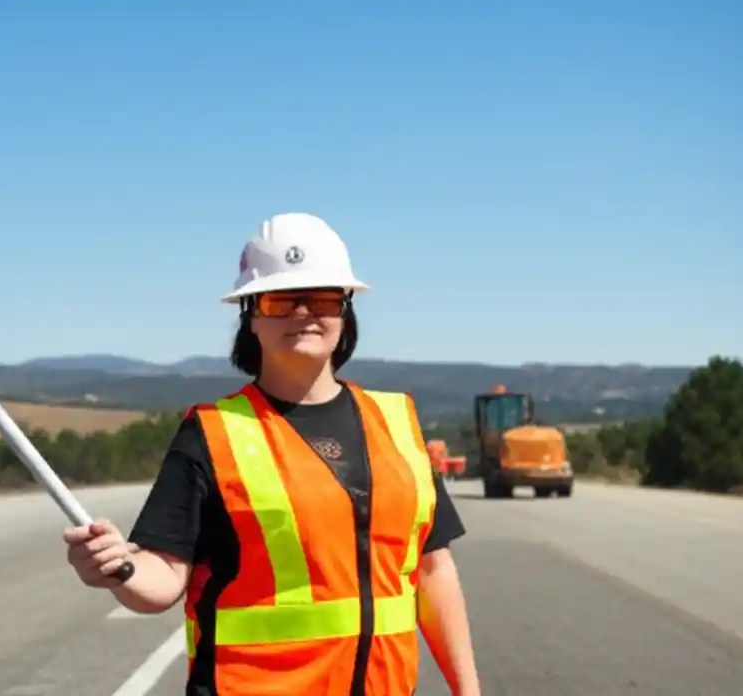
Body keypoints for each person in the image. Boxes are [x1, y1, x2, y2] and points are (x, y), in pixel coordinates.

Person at [64, 212, 481, 695]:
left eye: (323, 297)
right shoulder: (211, 434)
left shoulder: (397, 422)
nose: (303, 313)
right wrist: (119, 568)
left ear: (345, 312)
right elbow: (163, 578)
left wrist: (467, 690)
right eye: (281, 299)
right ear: (252, 317)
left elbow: (433, 570)